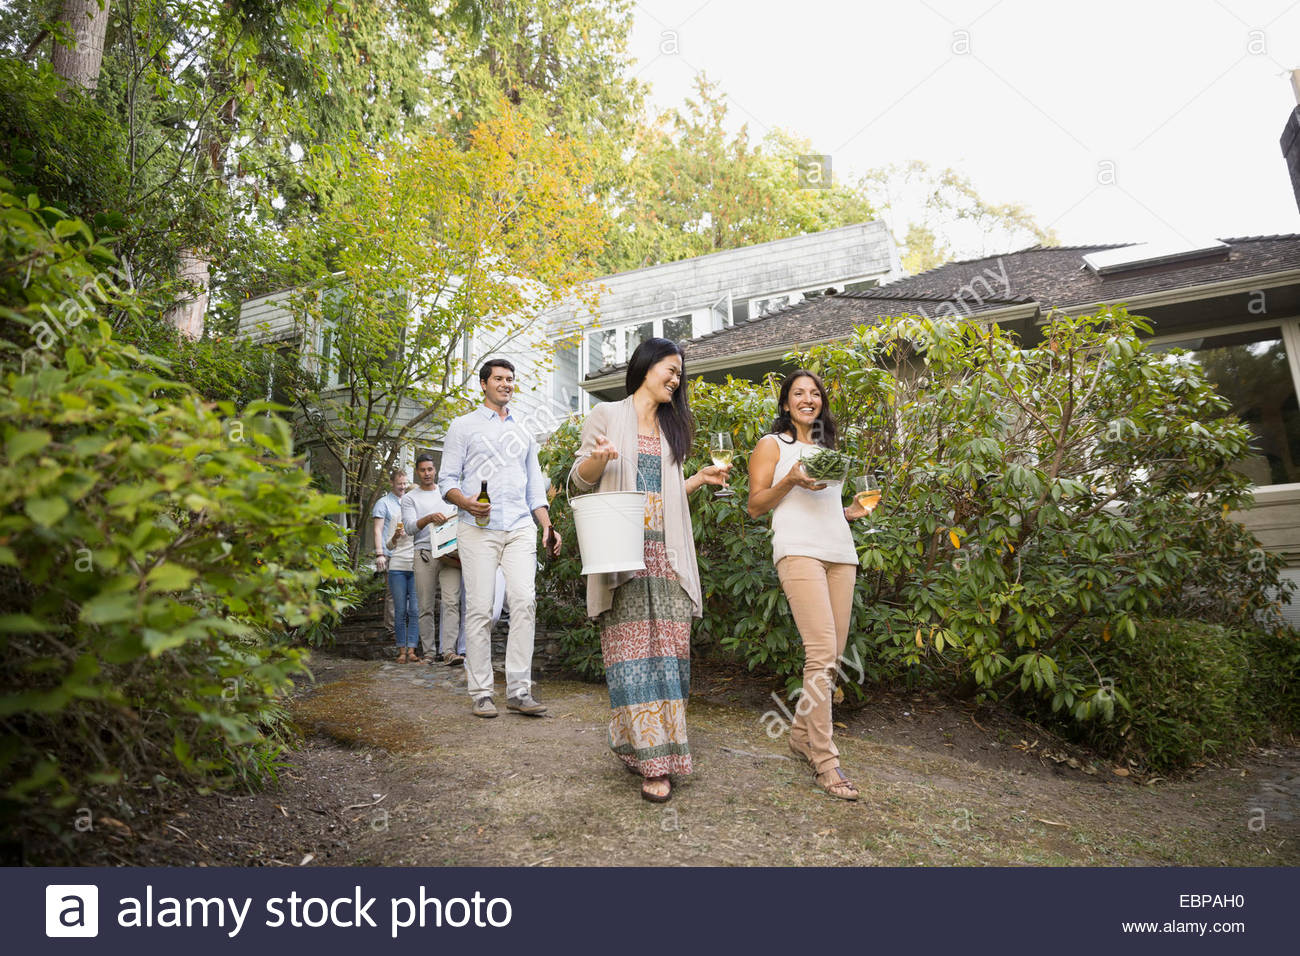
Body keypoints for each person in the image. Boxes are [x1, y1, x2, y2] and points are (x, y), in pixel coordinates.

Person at [570, 338, 729, 803]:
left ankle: (661, 750)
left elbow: (666, 492)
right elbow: (578, 479)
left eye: (681, 373)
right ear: (646, 367)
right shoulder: (605, 416)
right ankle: (652, 764)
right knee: (632, 664)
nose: (677, 378)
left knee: (672, 662)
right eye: (671, 368)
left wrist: (698, 479)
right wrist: (598, 458)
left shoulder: (671, 428)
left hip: (668, 559)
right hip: (622, 558)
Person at [747, 369, 871, 801]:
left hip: (840, 553)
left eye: (814, 393)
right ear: (786, 404)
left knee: (832, 657)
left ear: (821, 403)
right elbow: (755, 507)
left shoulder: (828, 451)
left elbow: (826, 509)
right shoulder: (773, 446)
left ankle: (800, 733)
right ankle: (825, 759)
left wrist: (852, 510)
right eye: (798, 393)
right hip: (798, 552)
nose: (807, 398)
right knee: (820, 654)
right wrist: (790, 480)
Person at [439, 358, 562, 718]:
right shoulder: (464, 426)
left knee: (524, 601)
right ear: (483, 384)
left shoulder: (523, 430)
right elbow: (448, 481)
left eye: (510, 379)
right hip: (478, 529)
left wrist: (547, 525)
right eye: (498, 379)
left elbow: (534, 486)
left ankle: (519, 690)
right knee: (479, 609)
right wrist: (466, 502)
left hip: (520, 526)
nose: (506, 384)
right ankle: (481, 692)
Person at [400, 454, 463, 666]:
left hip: (450, 554)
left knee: (452, 602)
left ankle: (449, 652)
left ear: (435, 470)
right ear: (417, 472)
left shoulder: (448, 493)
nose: (427, 473)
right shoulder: (410, 498)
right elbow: (409, 528)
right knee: (425, 606)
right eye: (422, 470)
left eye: (430, 469)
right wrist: (429, 518)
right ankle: (428, 653)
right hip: (425, 553)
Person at [371, 469, 408, 659]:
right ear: (391, 483)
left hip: (408, 554)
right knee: (392, 594)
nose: (402, 487)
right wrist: (380, 554)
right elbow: (378, 530)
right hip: (391, 553)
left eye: (404, 483)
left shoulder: (408, 501)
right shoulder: (383, 503)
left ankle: (404, 629)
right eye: (399, 483)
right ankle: (392, 628)